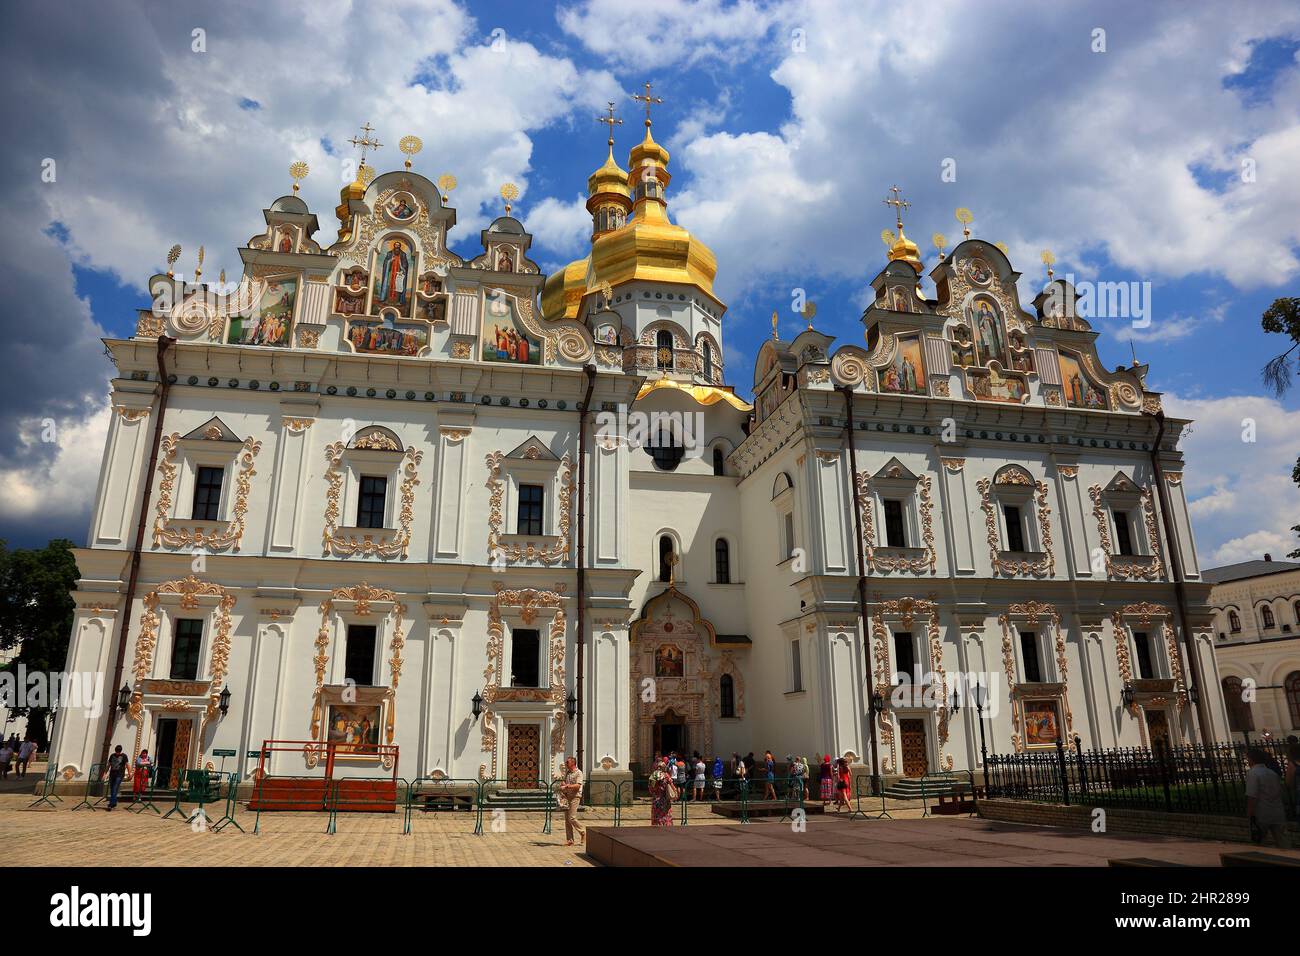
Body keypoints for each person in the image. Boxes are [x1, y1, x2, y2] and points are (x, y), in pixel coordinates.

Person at [1245, 747, 1290, 849]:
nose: (1247, 761)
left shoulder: (1253, 773)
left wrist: (1249, 813)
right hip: (1277, 812)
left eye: (1248, 758)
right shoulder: (1272, 773)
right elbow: (1280, 791)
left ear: (1252, 759)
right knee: (1283, 841)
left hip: (1261, 813)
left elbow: (1252, 796)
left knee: (1259, 842)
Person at [558, 755, 585, 846]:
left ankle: (583, 832)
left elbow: (578, 785)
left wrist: (567, 786)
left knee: (572, 818)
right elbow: (566, 783)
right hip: (567, 796)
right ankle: (570, 840)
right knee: (567, 819)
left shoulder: (578, 773)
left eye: (567, 762)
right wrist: (563, 785)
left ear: (573, 763)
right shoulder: (568, 773)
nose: (566, 763)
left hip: (575, 796)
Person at [648, 757, 676, 826]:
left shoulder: (653, 775)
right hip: (665, 798)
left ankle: (657, 824)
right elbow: (672, 786)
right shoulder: (666, 776)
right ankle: (666, 823)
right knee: (665, 813)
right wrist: (675, 794)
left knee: (657, 814)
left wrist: (654, 792)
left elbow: (650, 788)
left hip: (656, 799)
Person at [106, 745, 129, 811]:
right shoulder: (112, 755)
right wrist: (105, 773)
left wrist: (130, 773)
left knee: (114, 788)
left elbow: (127, 765)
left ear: (120, 751)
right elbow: (109, 765)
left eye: (118, 752)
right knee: (112, 788)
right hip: (112, 774)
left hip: (119, 774)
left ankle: (110, 804)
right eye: (116, 752)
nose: (117, 753)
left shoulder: (124, 756)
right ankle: (114, 803)